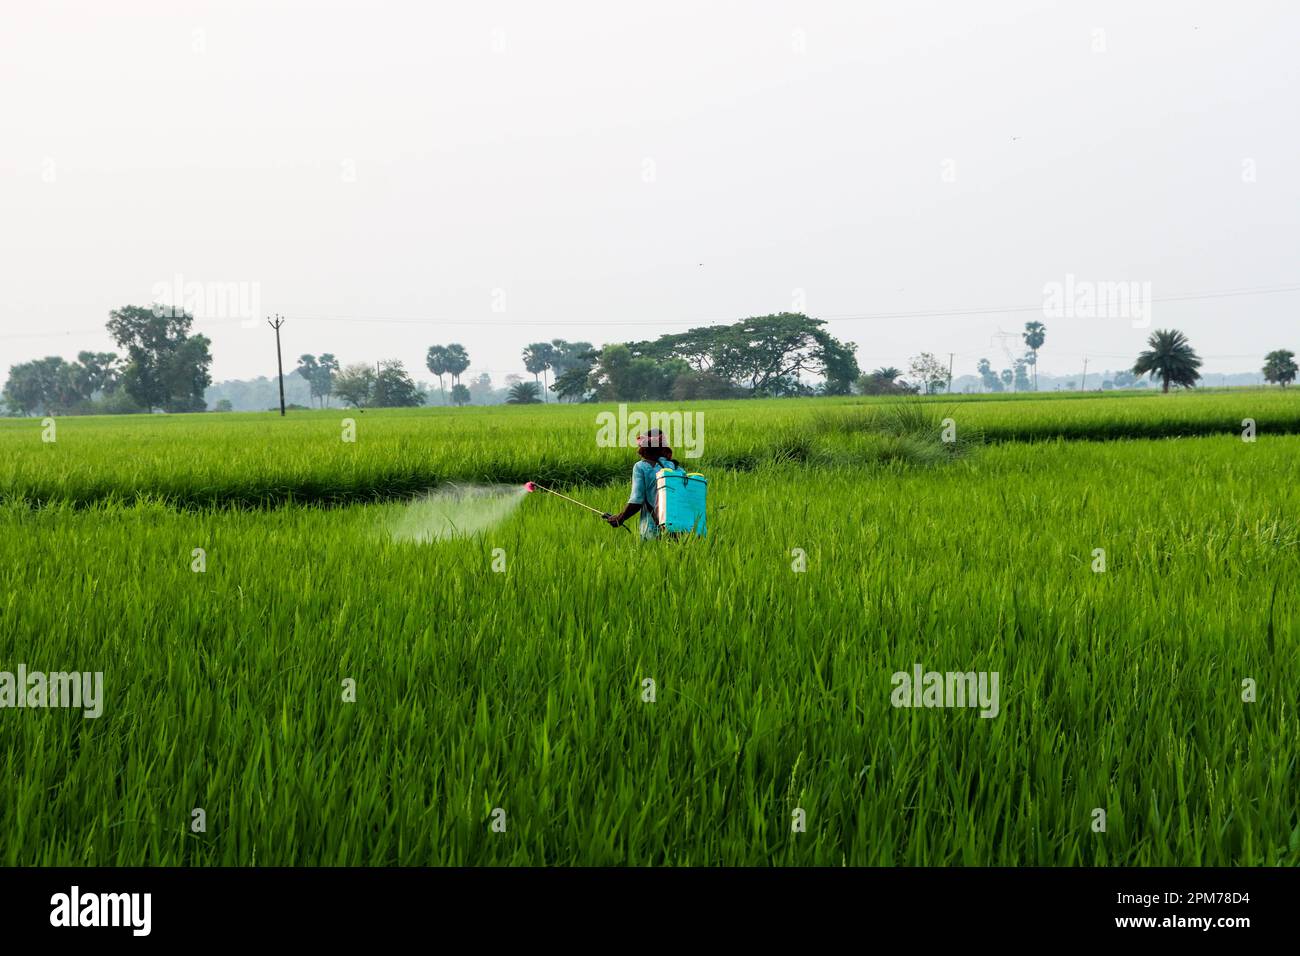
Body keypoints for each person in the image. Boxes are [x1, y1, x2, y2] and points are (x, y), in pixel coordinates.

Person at [605, 429, 679, 540]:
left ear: (644, 448)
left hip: (653, 529)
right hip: (677, 528)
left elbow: (637, 501)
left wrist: (620, 518)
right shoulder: (675, 467)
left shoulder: (641, 467)